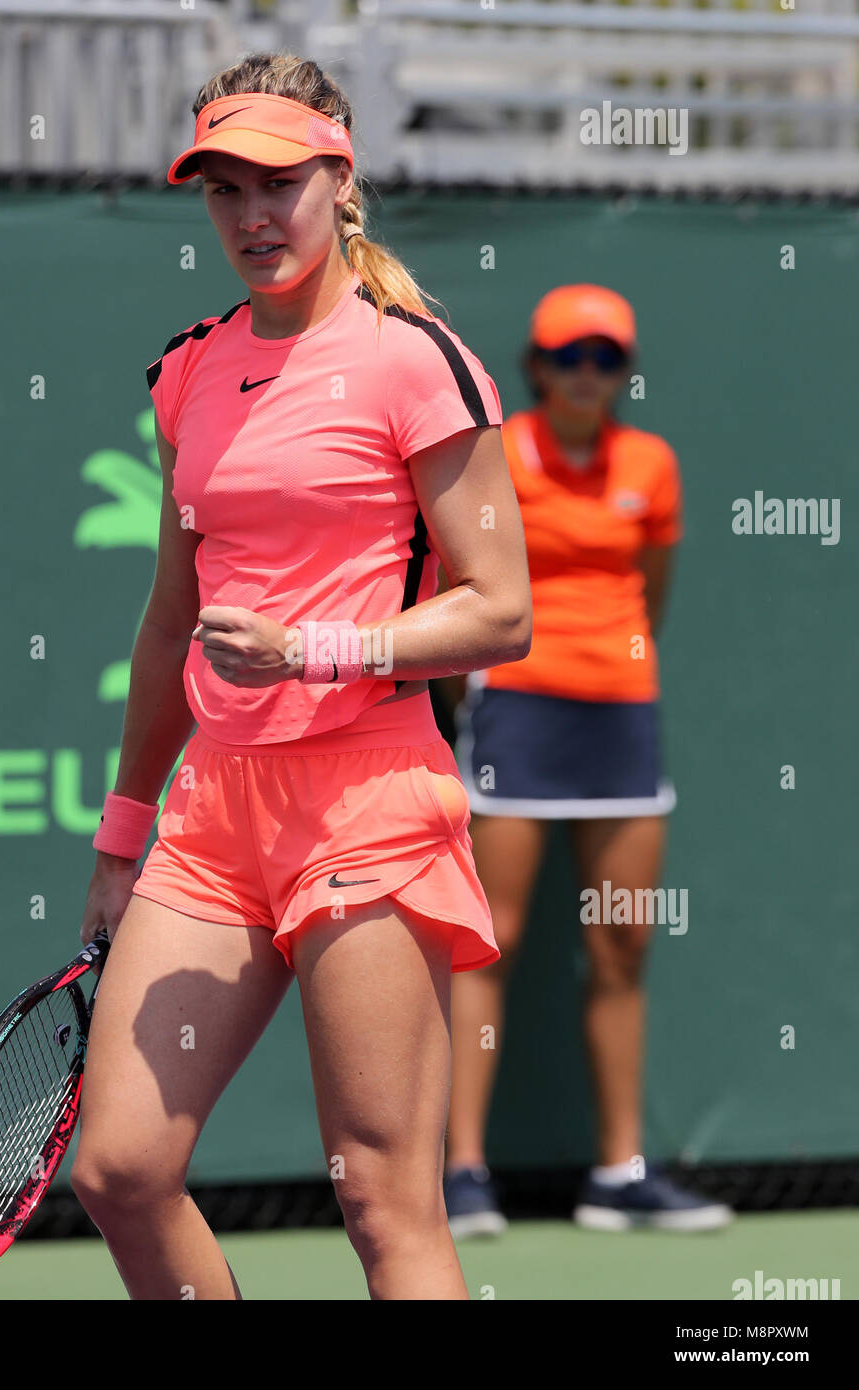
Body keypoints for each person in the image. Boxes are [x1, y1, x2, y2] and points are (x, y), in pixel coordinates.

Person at [69, 52, 532, 1300]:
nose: (251, 216)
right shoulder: (190, 372)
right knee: (117, 1166)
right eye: (222, 190)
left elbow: (501, 612)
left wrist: (317, 646)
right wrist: (122, 832)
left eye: (278, 182)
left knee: (384, 1205)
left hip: (366, 799)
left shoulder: (413, 362)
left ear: (340, 178)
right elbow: (170, 621)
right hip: (215, 813)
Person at [440, 285, 733, 1234]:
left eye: (606, 360)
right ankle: (462, 1173)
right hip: (518, 711)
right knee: (492, 937)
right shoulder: (501, 453)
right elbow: (467, 586)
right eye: (569, 358)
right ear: (535, 368)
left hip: (621, 722)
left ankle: (618, 1173)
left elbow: (653, 594)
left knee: (622, 943)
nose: (587, 377)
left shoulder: (652, 464)